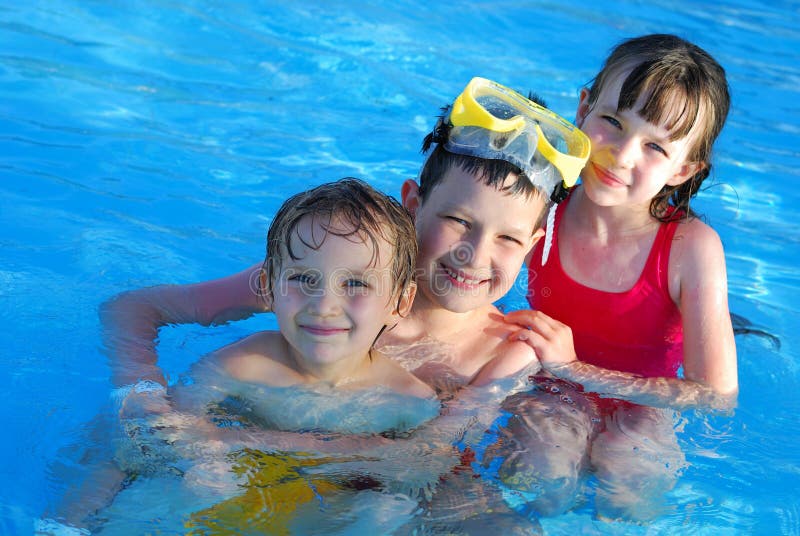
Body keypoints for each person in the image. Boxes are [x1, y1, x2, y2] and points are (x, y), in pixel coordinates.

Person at [38, 178, 440, 534]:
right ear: (268, 286)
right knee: (208, 477)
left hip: (316, 512)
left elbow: (419, 469)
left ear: (400, 301)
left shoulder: (410, 399)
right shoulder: (240, 365)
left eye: (355, 283)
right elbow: (146, 439)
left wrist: (243, 439)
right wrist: (70, 521)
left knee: (387, 511)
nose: (324, 305)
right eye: (303, 279)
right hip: (222, 503)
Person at [492, 33, 739, 521]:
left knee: (630, 495)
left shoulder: (691, 249)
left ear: (683, 169)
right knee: (543, 484)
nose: (623, 155)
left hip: (643, 406)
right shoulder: (544, 209)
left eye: (654, 145)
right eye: (612, 122)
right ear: (583, 108)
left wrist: (576, 370)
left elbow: (716, 397)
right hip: (552, 391)